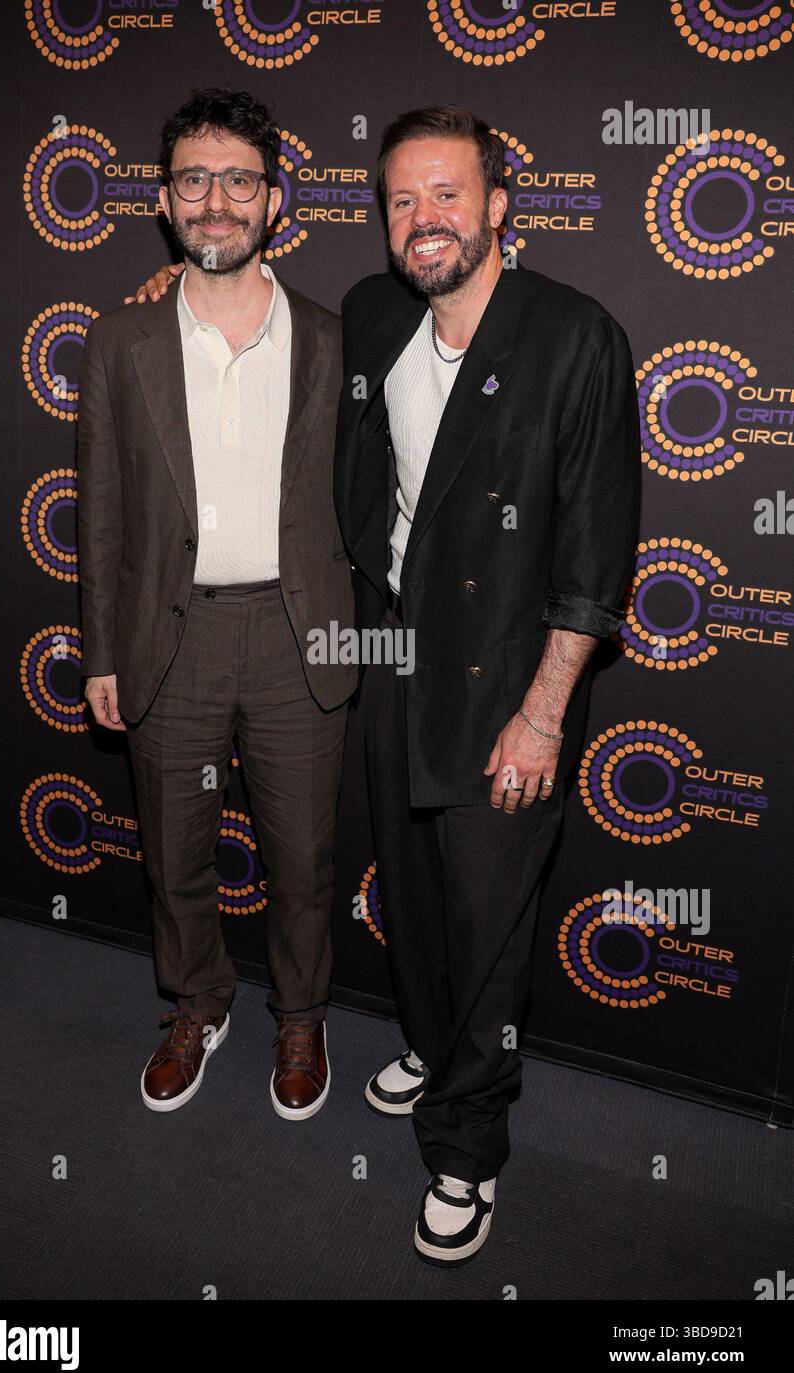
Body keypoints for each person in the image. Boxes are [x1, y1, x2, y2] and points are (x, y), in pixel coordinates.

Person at [128, 103, 641, 1266]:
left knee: (487, 927)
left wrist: (544, 712)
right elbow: (241, 290)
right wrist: (167, 293)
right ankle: (423, 1039)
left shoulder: (574, 337)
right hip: (394, 661)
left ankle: (465, 1145)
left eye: (446, 195)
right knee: (408, 899)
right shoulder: (370, 316)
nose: (422, 221)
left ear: (498, 205)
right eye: (401, 200)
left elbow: (594, 562)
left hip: (509, 689)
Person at [77, 87, 356, 1123]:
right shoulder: (120, 342)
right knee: (175, 848)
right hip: (170, 636)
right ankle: (198, 1000)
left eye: (239, 180)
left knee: (303, 856)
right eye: (194, 179)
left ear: (274, 201)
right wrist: (100, 648)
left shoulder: (335, 342)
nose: (216, 201)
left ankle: (301, 1013)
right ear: (164, 201)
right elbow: (99, 513)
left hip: (295, 638)